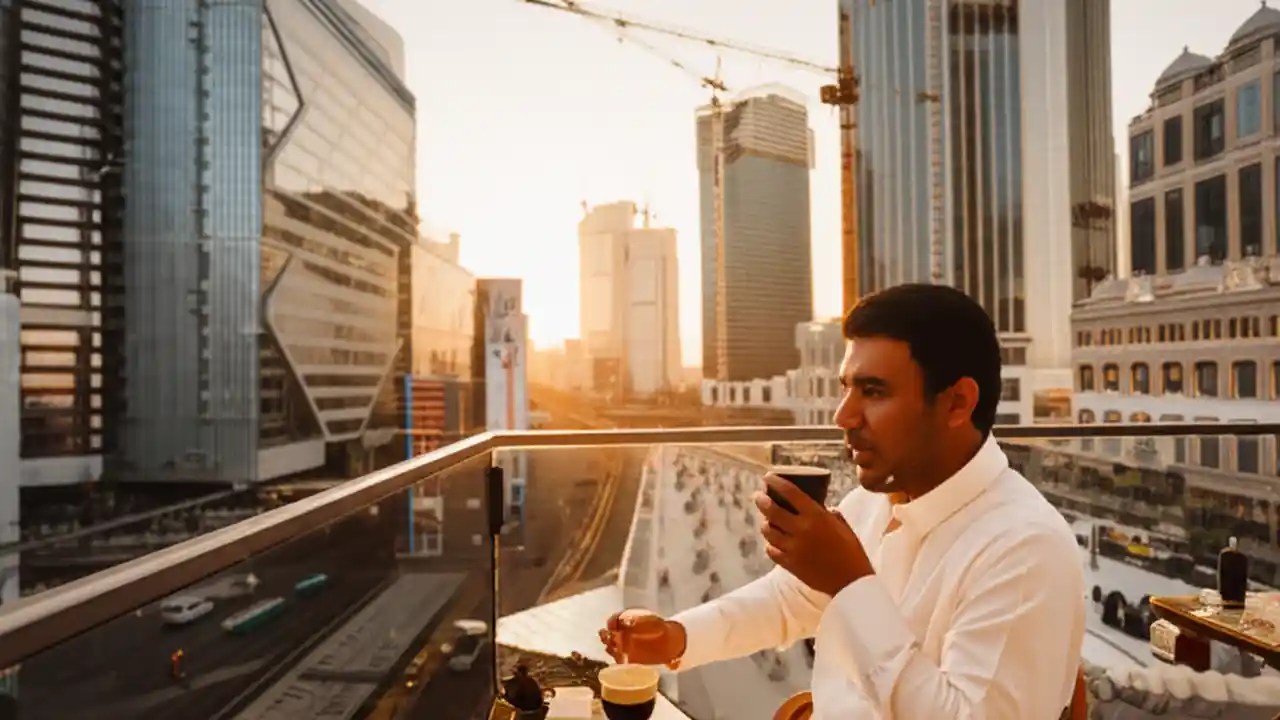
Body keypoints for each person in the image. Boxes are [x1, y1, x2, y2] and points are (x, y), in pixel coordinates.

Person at [599, 284, 1084, 718]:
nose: (843, 415)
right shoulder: (876, 502)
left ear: (957, 403)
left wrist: (851, 582)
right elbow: (790, 599)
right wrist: (675, 638)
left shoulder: (1024, 551)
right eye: (846, 388)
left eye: (873, 391)